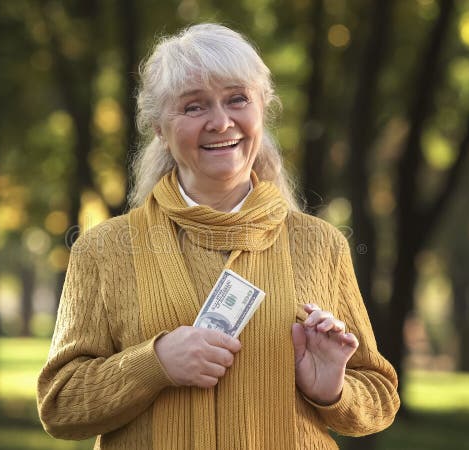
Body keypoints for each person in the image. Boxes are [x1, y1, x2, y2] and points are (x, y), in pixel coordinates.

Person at [37, 23, 399, 449]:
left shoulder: (320, 244)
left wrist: (330, 390)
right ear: (158, 128)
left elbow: (380, 398)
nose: (221, 122)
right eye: (194, 107)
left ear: (262, 109)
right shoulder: (103, 250)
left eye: (237, 99)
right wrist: (154, 364)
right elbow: (59, 407)